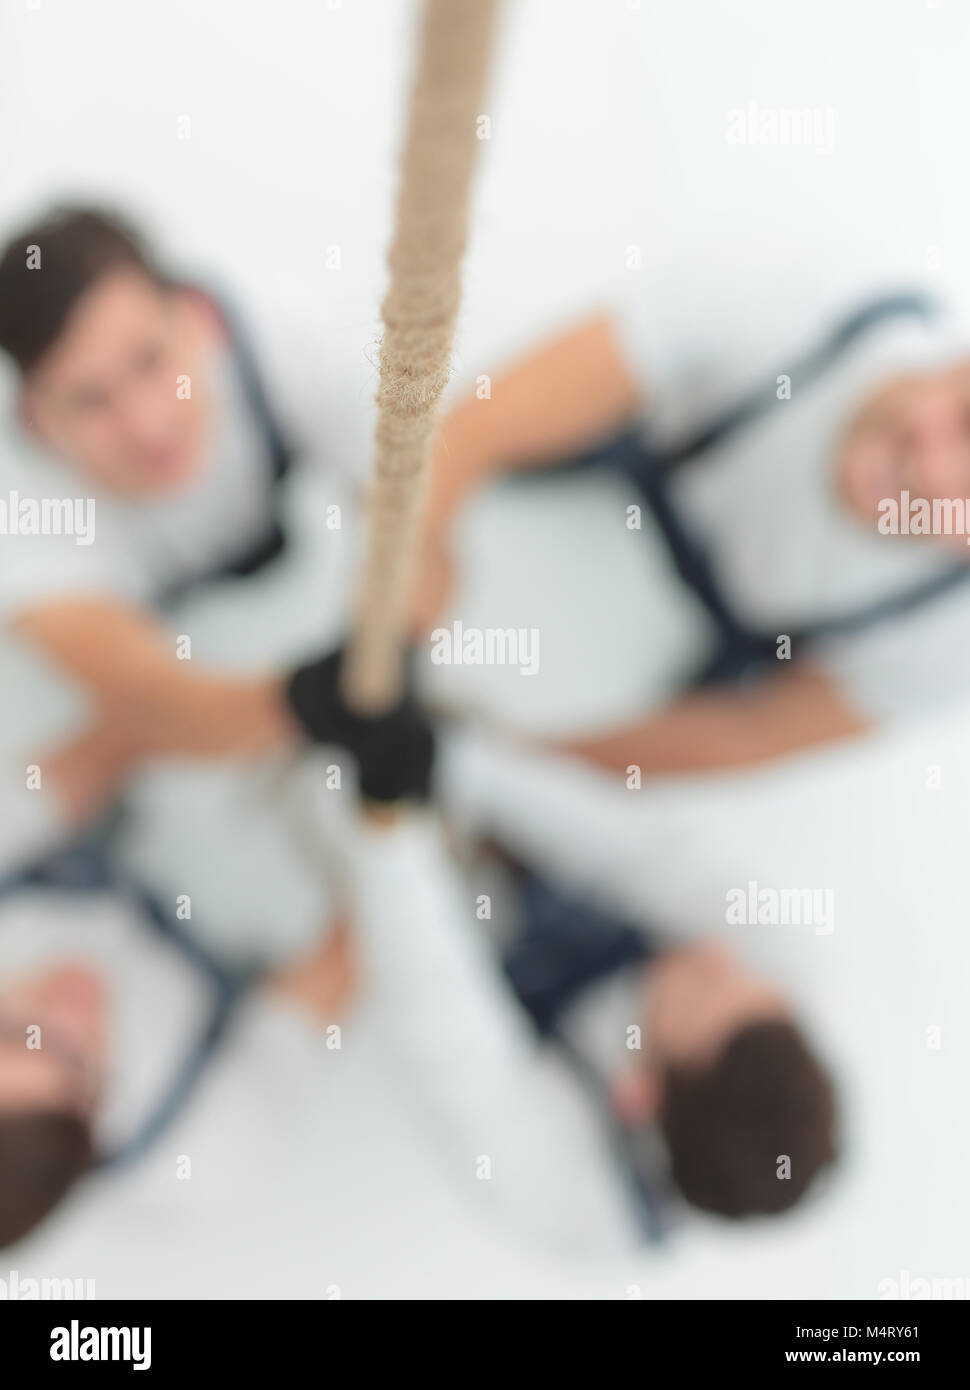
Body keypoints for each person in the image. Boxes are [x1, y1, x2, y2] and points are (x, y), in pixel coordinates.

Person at [413, 262, 970, 774]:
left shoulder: (952, 644)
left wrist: (488, 771)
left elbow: (748, 733)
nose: (931, 472)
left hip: (669, 667)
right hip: (604, 474)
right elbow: (465, 435)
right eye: (964, 421)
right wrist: (420, 547)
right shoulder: (802, 294)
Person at [0, 205, 433, 841]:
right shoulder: (24, 508)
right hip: (111, 687)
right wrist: (307, 706)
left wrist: (393, 658)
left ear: (199, 318)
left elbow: (428, 519)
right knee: (93, 758)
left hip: (288, 594)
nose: (148, 426)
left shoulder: (284, 333)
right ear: (38, 419)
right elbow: (152, 701)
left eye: (150, 361)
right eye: (90, 401)